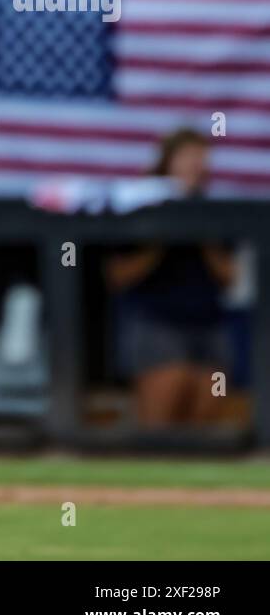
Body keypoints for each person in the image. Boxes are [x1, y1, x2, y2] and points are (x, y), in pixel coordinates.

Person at [105, 129, 237, 428]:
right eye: (187, 157)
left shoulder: (217, 211)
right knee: (162, 412)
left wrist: (204, 234)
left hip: (208, 322)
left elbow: (231, 278)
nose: (195, 165)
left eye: (201, 159)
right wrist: (160, 236)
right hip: (157, 321)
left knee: (208, 404)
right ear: (167, 161)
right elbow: (117, 276)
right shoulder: (142, 206)